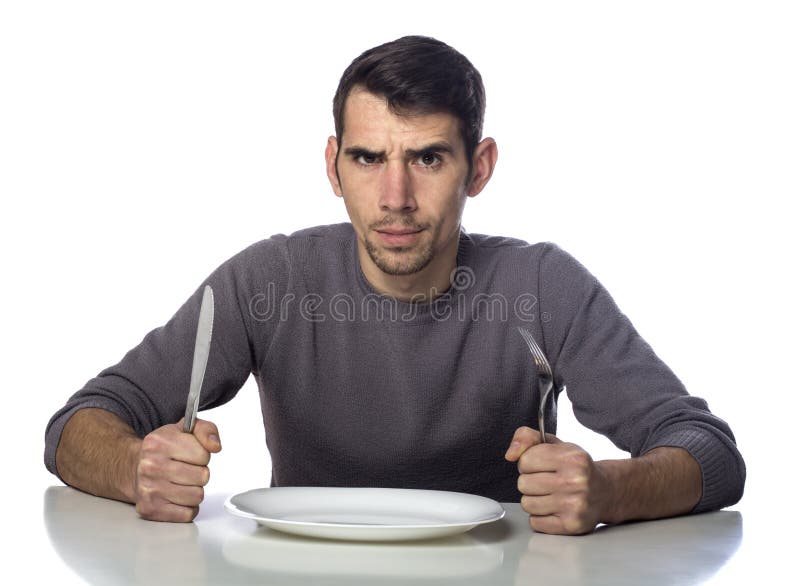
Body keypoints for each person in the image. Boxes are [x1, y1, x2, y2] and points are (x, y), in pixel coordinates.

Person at [45, 35, 745, 535]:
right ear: (333, 166)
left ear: (479, 167)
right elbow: (78, 424)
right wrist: (136, 467)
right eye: (368, 157)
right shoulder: (270, 279)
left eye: (429, 158)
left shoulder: (539, 284)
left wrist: (608, 489)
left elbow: (709, 453)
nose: (396, 196)